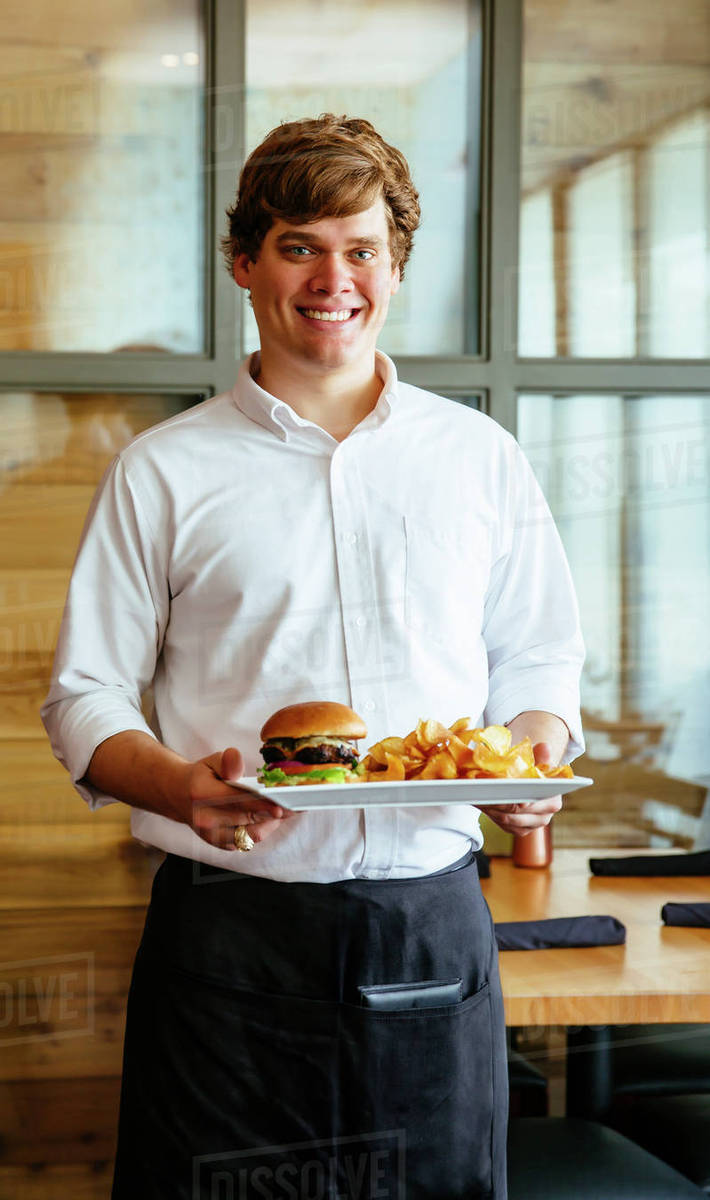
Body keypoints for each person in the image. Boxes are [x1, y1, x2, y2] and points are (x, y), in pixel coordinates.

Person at [42, 114, 584, 1200]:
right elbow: (82, 696)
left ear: (393, 268)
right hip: (231, 939)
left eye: (360, 248)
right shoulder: (164, 469)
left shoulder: (478, 459)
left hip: (432, 927)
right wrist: (177, 786)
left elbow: (536, 661)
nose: (331, 277)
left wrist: (528, 762)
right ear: (246, 262)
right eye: (298, 245)